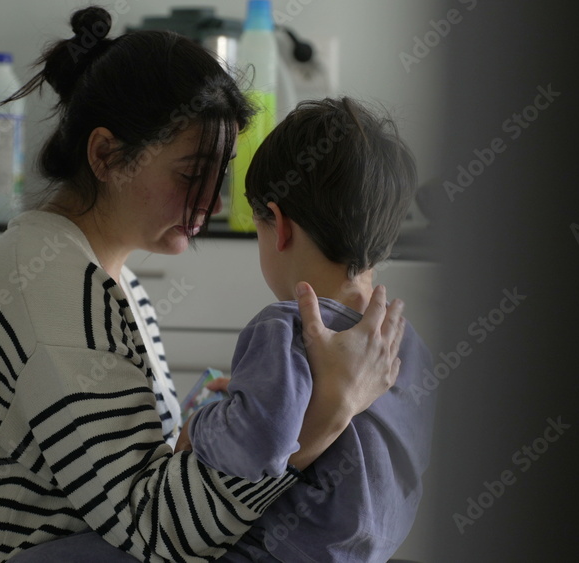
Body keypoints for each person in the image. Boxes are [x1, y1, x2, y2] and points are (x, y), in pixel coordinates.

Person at [0, 7, 406, 562]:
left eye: (220, 174)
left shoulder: (109, 281)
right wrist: (316, 423)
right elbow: (160, 531)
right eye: (190, 175)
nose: (209, 203)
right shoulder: (54, 295)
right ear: (106, 156)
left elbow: (136, 474)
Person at [177, 97, 436, 562]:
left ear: (277, 225)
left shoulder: (283, 326)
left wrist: (202, 425)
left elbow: (257, 445)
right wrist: (252, 393)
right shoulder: (405, 343)